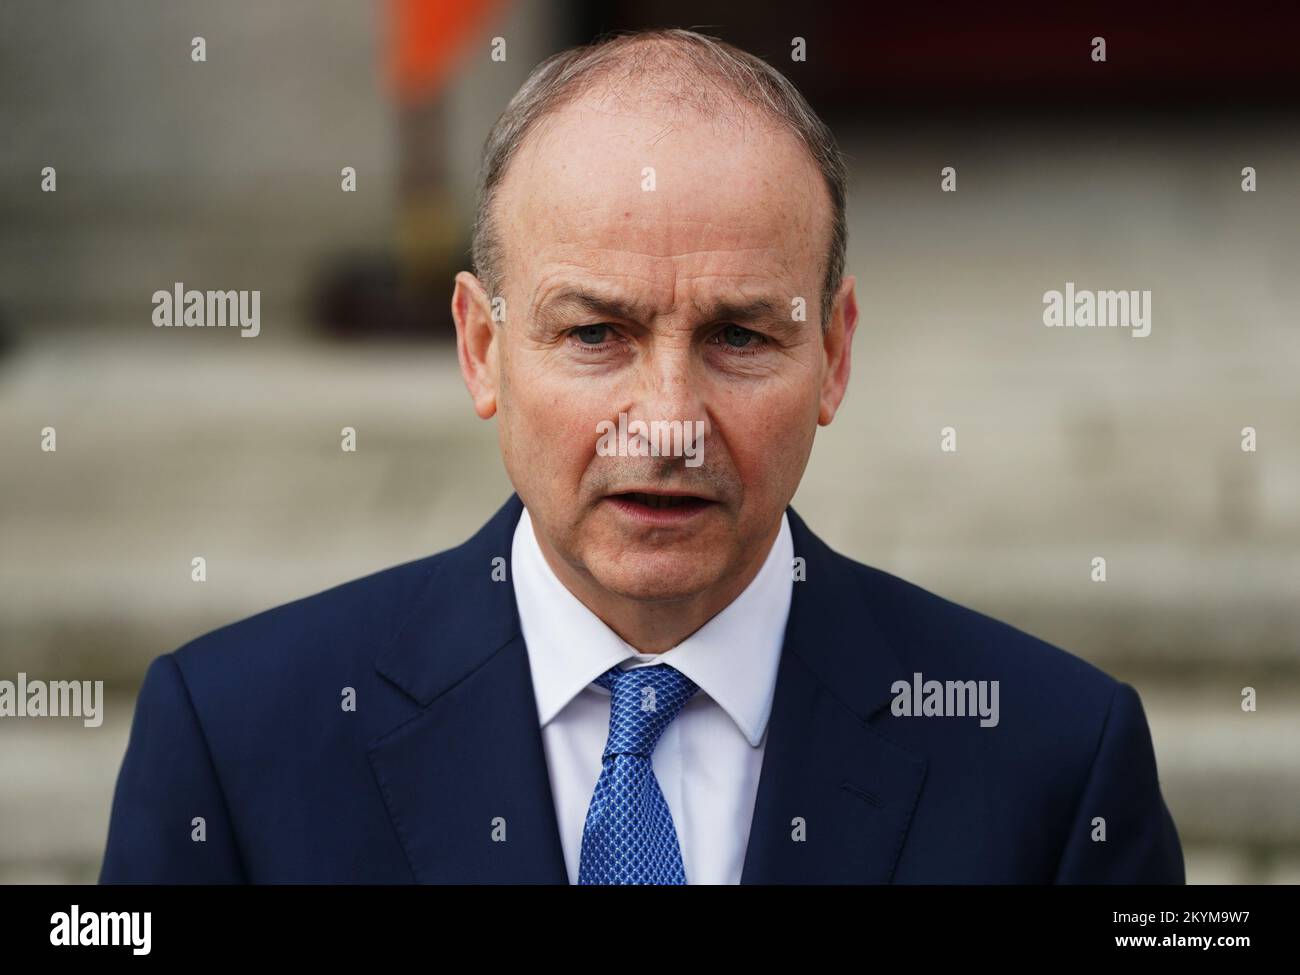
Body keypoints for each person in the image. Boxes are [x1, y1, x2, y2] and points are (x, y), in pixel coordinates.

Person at [99, 28, 1184, 884]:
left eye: (740, 337)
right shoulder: (237, 746)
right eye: (594, 334)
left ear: (835, 353)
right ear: (482, 349)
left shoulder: (1051, 762)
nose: (667, 422)